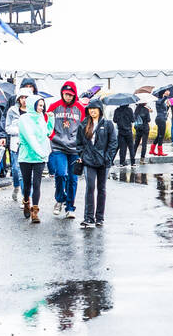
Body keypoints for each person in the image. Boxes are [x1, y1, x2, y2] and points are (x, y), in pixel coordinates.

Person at [48, 81, 85, 219]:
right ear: (62, 93)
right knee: (61, 174)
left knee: (73, 178)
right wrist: (52, 135)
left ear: (74, 95)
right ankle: (59, 199)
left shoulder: (80, 108)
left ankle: (70, 207)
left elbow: (85, 127)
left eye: (70, 95)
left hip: (74, 149)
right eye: (66, 94)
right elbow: (46, 122)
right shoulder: (54, 106)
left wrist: (82, 147)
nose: (68, 97)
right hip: (58, 147)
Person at [77, 100, 117, 228]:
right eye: (90, 108)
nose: (92, 111)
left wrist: (108, 158)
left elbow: (113, 143)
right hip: (89, 161)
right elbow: (79, 143)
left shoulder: (108, 124)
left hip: (104, 162)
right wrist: (82, 155)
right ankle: (88, 218)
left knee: (102, 188)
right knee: (90, 188)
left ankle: (100, 218)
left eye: (95, 108)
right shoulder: (83, 125)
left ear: (100, 110)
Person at [18, 96, 52, 223]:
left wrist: (51, 120)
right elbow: (29, 138)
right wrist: (41, 152)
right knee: (27, 184)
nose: (41, 108)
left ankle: (35, 211)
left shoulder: (41, 118)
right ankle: (26, 202)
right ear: (32, 105)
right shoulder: (23, 119)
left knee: (37, 184)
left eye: (43, 106)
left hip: (39, 157)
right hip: (26, 156)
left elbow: (47, 133)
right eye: (39, 105)